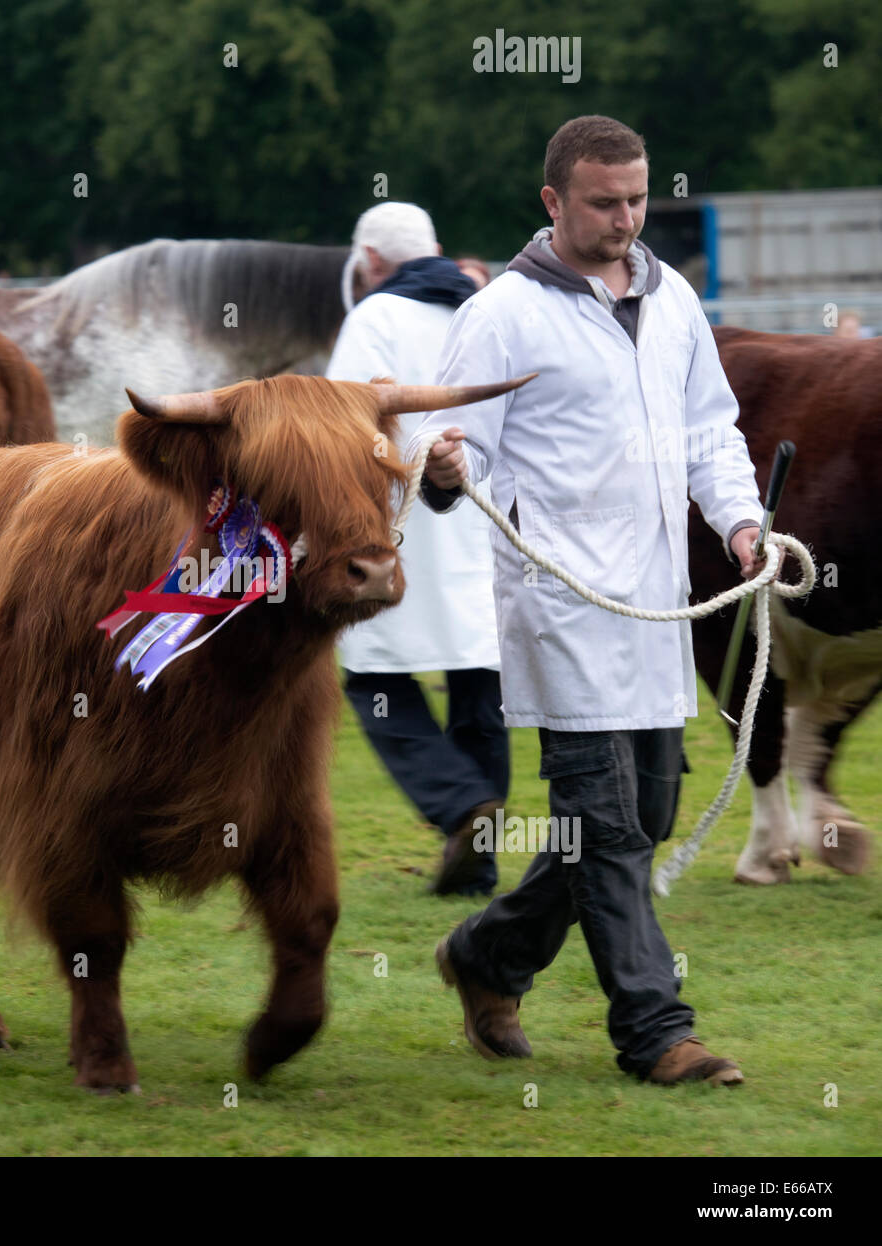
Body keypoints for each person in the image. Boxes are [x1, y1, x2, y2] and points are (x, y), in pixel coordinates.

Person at [419, 116, 766, 1086]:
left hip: (655, 606)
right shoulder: (502, 315)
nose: (625, 220)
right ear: (552, 203)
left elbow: (711, 433)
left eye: (636, 198)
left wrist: (740, 524)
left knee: (643, 816)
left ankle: (487, 955)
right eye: (603, 203)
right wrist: (443, 464)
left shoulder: (673, 300)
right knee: (605, 825)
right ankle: (657, 1030)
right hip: (559, 606)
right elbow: (453, 453)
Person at [327, 202, 508, 897]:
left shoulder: (375, 317)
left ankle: (463, 806)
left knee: (375, 678)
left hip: (401, 527)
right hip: (485, 521)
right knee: (477, 685)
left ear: (371, 259)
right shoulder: (486, 309)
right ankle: (479, 857)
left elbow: (350, 427)